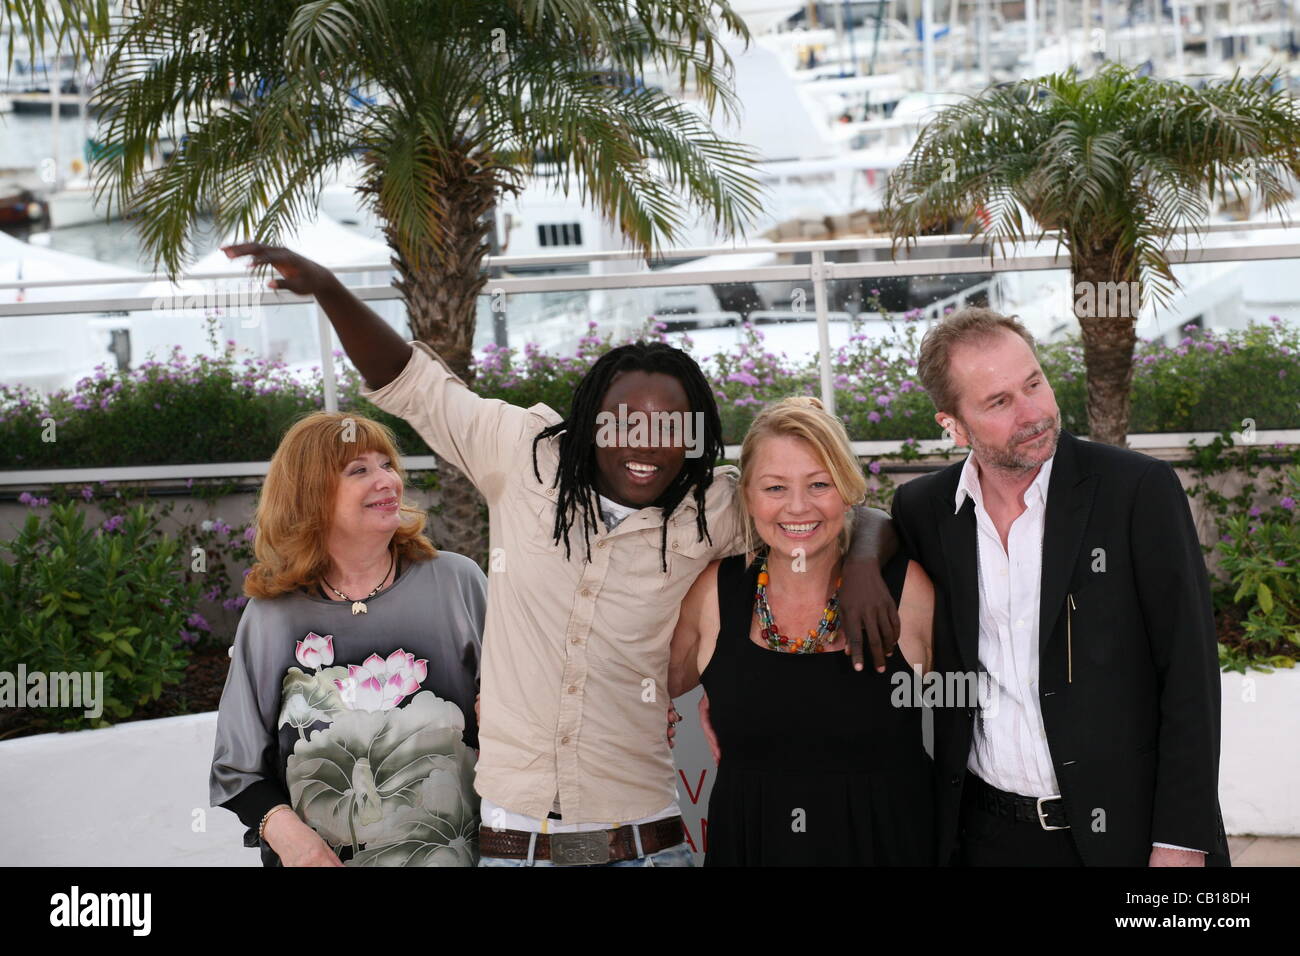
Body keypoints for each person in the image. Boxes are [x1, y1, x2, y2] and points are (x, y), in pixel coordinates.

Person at [220, 242, 903, 867]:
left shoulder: (715, 510)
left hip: (646, 840)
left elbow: (826, 511)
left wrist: (868, 557)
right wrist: (330, 289)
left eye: (669, 426)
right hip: (515, 846)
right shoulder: (523, 457)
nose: (644, 444)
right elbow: (413, 384)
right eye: (622, 422)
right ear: (589, 424)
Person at [891, 307, 1230, 866]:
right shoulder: (924, 510)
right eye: (999, 402)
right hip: (989, 836)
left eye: (1034, 383)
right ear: (951, 425)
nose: (1033, 413)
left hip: (1132, 835)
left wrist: (1180, 842)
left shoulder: (1137, 491)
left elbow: (1191, 674)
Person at [209, 411, 487, 866]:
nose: (387, 481)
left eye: (387, 465)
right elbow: (236, 770)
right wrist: (294, 841)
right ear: (310, 495)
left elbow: (521, 717)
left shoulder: (457, 582)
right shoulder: (271, 615)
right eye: (359, 470)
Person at [669, 397, 936, 865]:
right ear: (747, 495)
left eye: (819, 484)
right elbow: (637, 684)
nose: (797, 506)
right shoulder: (714, 592)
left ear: (848, 490)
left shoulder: (904, 589)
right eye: (774, 487)